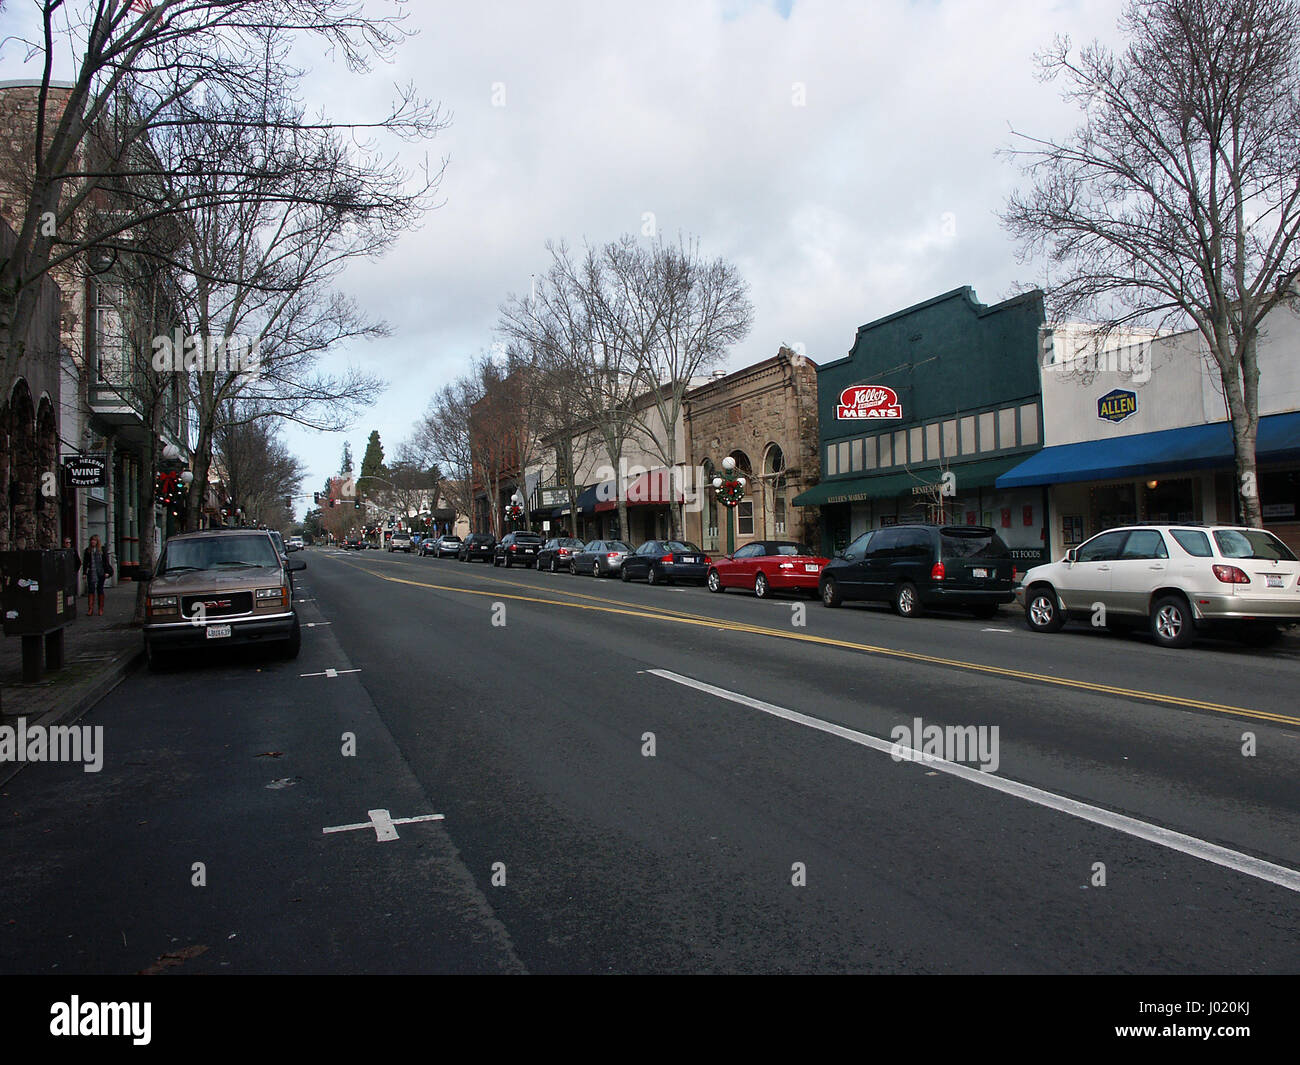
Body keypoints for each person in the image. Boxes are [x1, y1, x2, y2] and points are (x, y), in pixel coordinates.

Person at [82, 535, 112, 617]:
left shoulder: (102, 550)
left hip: (100, 572)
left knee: (100, 589)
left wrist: (107, 572)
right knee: (91, 589)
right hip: (92, 572)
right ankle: (90, 608)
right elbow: (85, 562)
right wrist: (84, 573)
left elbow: (106, 562)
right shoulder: (88, 551)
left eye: (94, 540)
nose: (93, 542)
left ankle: (100, 608)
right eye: (92, 540)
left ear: (97, 541)